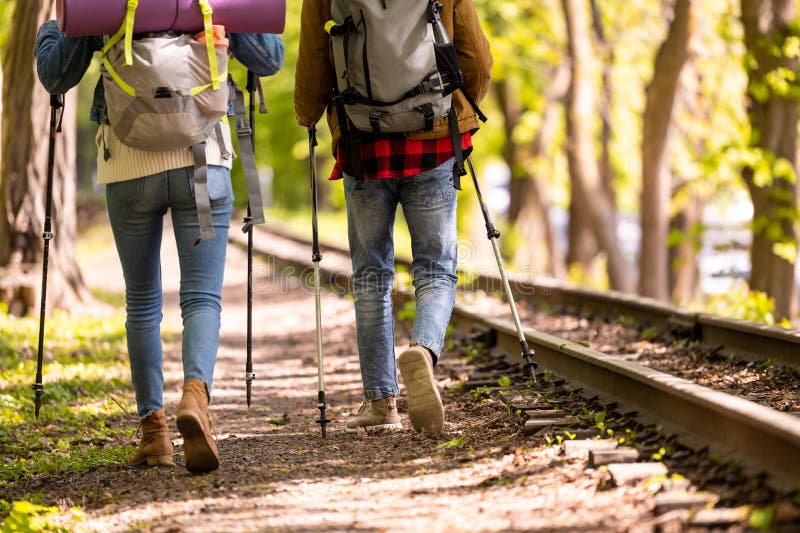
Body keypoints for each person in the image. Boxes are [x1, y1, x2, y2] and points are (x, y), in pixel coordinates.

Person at [34, 21, 284, 472]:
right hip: (203, 159)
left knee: (143, 302)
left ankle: (154, 432)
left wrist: (52, 28)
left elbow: (56, 75)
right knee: (202, 297)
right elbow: (269, 58)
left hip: (127, 166)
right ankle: (195, 398)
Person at [294, 0, 492, 434]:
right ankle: (423, 350)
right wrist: (462, 104)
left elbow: (314, 54)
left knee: (370, 277)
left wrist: (307, 113)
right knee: (437, 269)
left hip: (362, 142)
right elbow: (475, 54)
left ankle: (381, 402)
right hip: (433, 140)